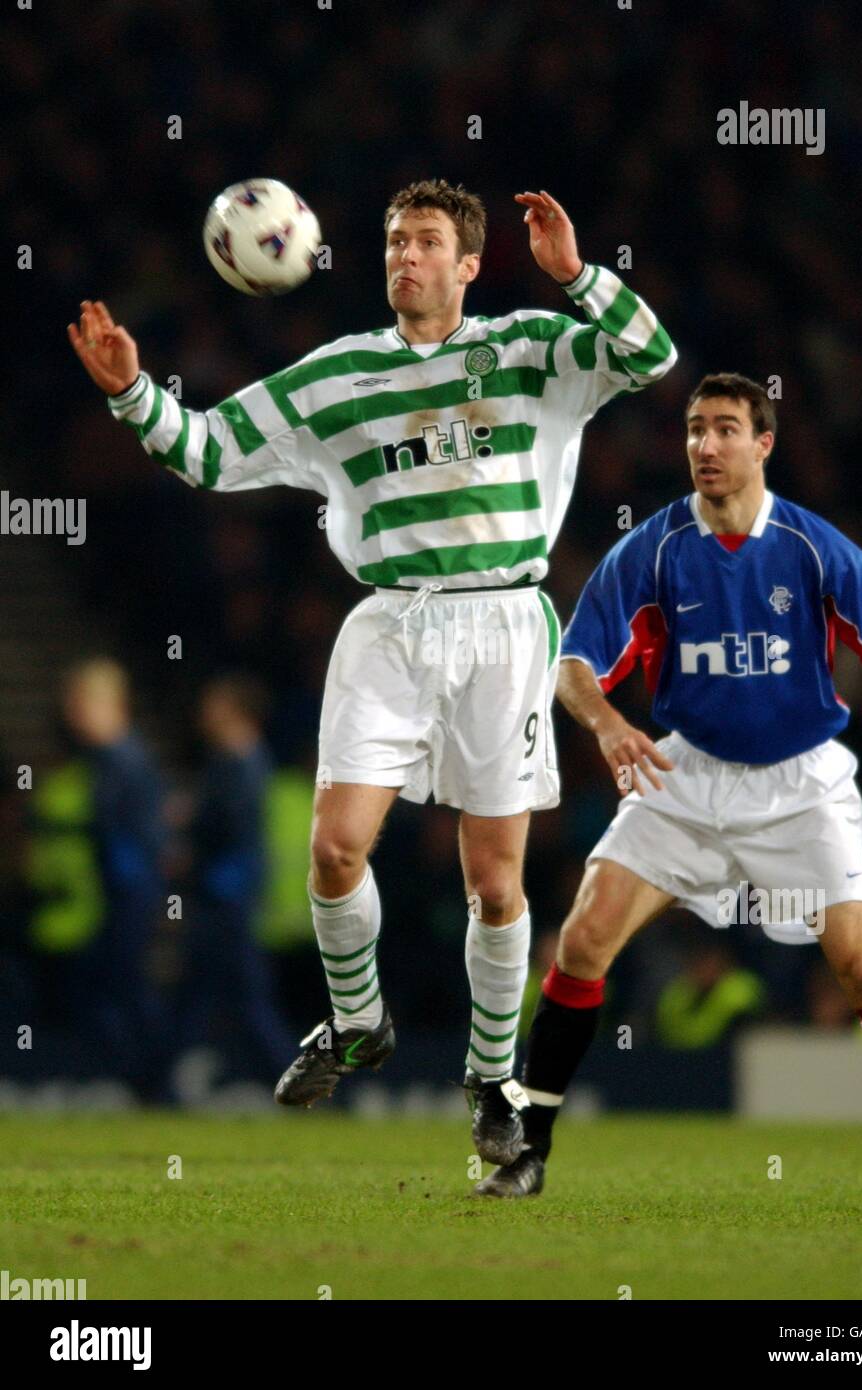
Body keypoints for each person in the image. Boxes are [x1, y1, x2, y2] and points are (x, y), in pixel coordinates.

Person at [68, 179, 677, 1164]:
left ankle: (490, 1079)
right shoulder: (337, 375)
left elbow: (651, 355)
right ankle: (358, 1023)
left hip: (501, 627)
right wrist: (134, 392)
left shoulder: (528, 349)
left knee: (492, 880)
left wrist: (573, 276)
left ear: (469, 264)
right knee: (334, 850)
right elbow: (212, 452)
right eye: (395, 240)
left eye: (427, 242)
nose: (405, 256)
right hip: (388, 628)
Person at [476, 372, 862, 1197]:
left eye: (727, 429)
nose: (706, 445)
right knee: (584, 936)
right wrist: (610, 724)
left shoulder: (810, 547)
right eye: (696, 429)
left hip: (799, 785)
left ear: (762, 444)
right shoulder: (654, 547)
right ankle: (530, 1152)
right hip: (685, 774)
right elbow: (573, 665)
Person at [173, 676, 298, 1081]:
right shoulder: (230, 762)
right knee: (210, 994)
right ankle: (161, 1080)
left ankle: (295, 1078)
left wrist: (191, 825)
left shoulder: (243, 764)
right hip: (223, 893)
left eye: (215, 705)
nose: (205, 714)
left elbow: (232, 832)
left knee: (238, 996)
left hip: (228, 896)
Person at [60, 659, 167, 1096]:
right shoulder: (110, 760)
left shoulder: (125, 760)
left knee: (123, 984)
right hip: (119, 890)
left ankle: (155, 1080)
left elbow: (139, 836)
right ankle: (145, 1081)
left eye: (80, 703)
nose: (72, 714)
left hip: (130, 892)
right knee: (118, 985)